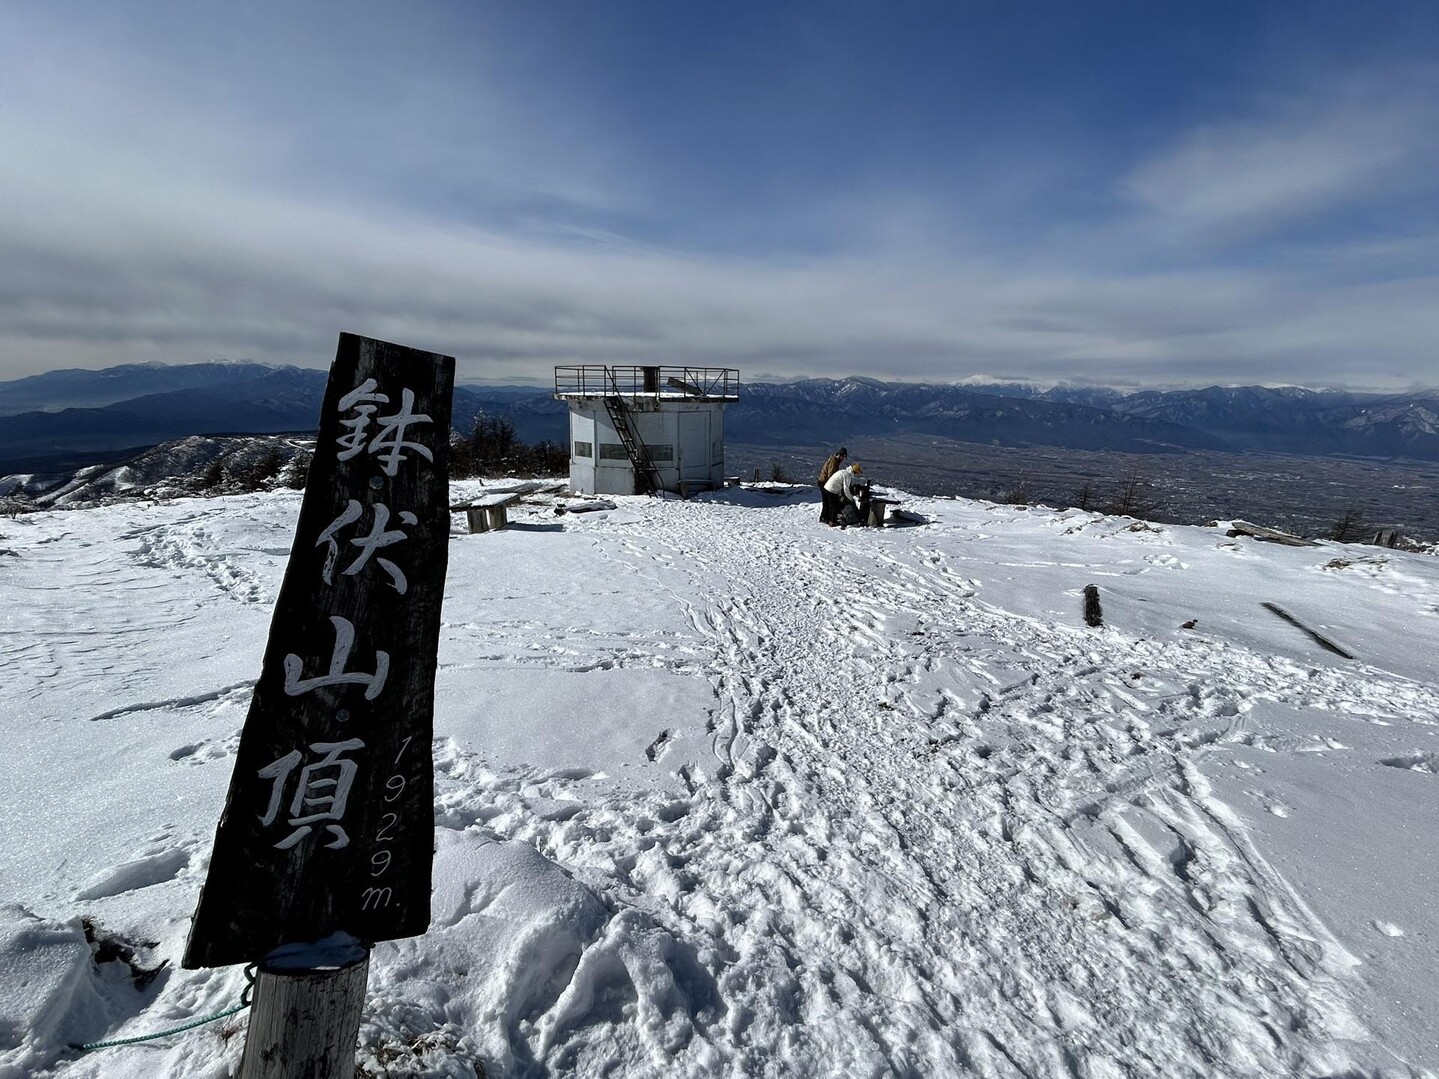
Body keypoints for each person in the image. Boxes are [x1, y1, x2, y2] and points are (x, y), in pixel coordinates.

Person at [822, 462, 864, 526]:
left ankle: (823, 518)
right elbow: (846, 489)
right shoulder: (848, 475)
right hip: (832, 490)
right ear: (855, 471)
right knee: (833, 506)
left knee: (827, 505)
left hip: (826, 487)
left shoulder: (844, 471)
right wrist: (851, 499)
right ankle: (832, 521)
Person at [817, 446, 847, 524]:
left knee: (826, 501)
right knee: (829, 502)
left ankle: (824, 517)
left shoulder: (834, 460)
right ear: (840, 455)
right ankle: (827, 518)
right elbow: (831, 473)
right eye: (843, 457)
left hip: (824, 482)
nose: (843, 459)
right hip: (825, 482)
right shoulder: (834, 461)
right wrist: (834, 483)